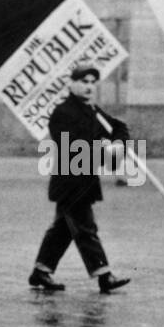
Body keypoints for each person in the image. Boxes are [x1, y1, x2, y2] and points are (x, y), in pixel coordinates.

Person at [28, 63, 131, 294]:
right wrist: (104, 150)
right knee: (85, 228)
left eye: (93, 82)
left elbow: (118, 127)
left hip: (85, 182)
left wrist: (118, 144)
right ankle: (104, 276)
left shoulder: (93, 110)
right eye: (84, 82)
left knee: (63, 229)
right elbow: (74, 148)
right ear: (71, 84)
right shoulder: (63, 113)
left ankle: (41, 271)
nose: (89, 87)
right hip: (70, 183)